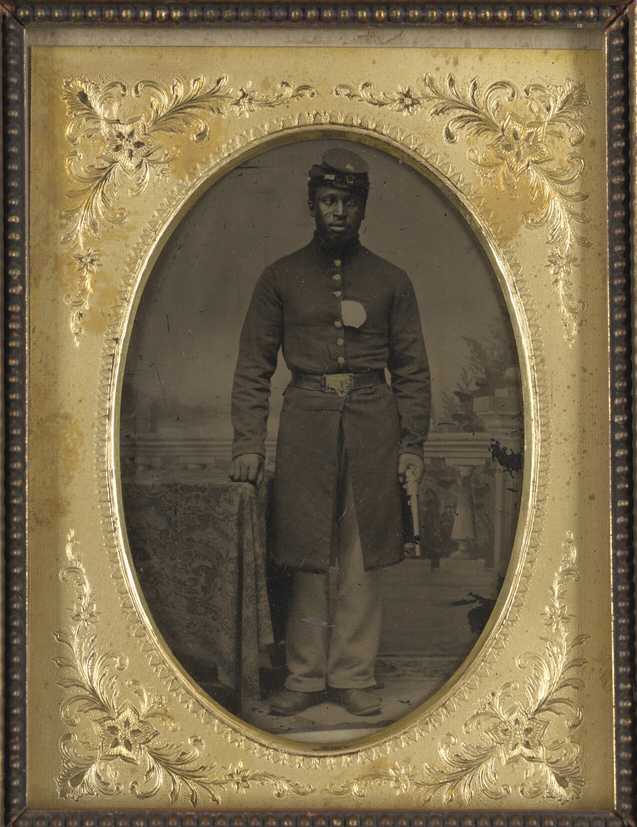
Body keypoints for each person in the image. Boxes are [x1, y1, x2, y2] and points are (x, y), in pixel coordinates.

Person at [230, 146, 431, 717]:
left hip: (375, 424)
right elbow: (254, 366)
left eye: (348, 202)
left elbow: (413, 370)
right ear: (312, 205)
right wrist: (247, 442)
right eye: (328, 200)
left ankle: (353, 674)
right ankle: (304, 675)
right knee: (305, 550)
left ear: (363, 209)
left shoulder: (392, 280)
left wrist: (412, 444)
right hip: (305, 424)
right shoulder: (280, 277)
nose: (338, 211)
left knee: (361, 551)